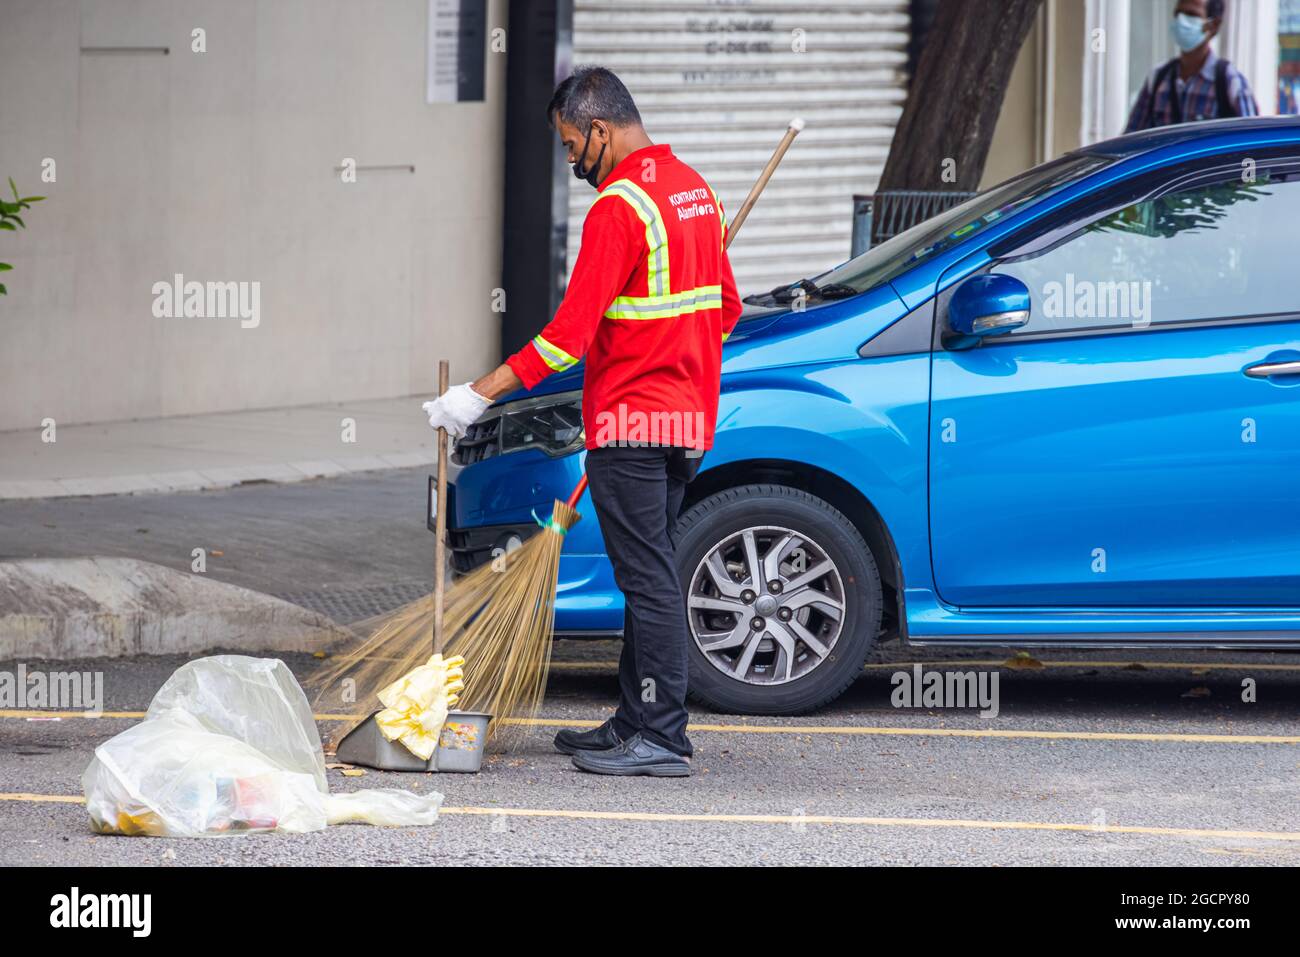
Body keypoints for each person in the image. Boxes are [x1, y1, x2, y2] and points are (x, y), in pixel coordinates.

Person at [422, 66, 743, 777]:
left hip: (632, 425)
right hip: (686, 424)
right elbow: (725, 310)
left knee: (649, 578)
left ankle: (661, 734)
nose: (572, 163)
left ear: (600, 128)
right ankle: (635, 718)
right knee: (647, 571)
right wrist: (671, 350)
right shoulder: (694, 190)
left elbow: (568, 334)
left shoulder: (621, 208)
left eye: (572, 146)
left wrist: (479, 393)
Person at [1125, 0, 1259, 132]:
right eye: (1178, 13)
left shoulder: (1230, 81)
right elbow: (1129, 141)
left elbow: (1251, 140)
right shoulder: (1158, 78)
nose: (1181, 21)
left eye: (1192, 15)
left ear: (1214, 25)